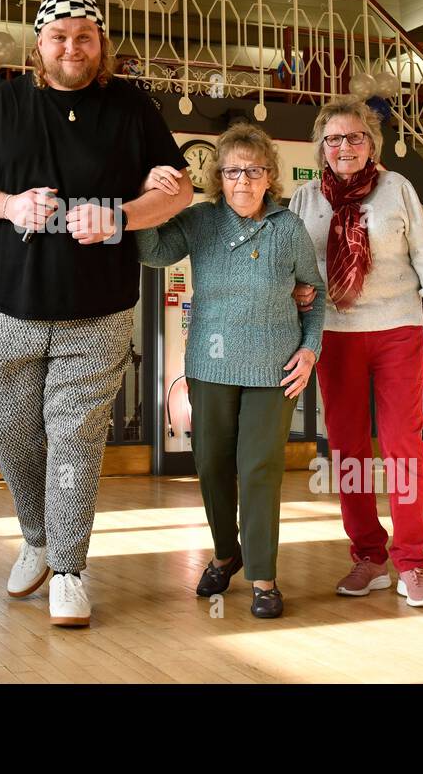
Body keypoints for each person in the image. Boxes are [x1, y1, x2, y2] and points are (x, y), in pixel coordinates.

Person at [0, 0, 193, 627]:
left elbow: (177, 192)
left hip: (98, 312)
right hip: (11, 310)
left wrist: (122, 217)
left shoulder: (131, 106)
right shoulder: (1, 105)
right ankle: (38, 538)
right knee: (8, 436)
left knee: (75, 443)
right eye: (59, 36)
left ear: (100, 43)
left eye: (85, 36)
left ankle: (72, 571)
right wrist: (9, 205)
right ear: (39, 45)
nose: (72, 47)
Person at [136, 123, 326, 618]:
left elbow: (315, 292)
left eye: (254, 170)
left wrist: (310, 351)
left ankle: (264, 577)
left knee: (259, 469)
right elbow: (154, 253)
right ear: (220, 176)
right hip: (209, 366)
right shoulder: (201, 220)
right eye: (233, 170)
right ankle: (226, 553)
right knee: (212, 465)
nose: (243, 180)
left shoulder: (288, 228)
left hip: (276, 369)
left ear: (270, 177)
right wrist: (148, 197)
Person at [289, 95, 423, 608]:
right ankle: (368, 556)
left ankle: (412, 562)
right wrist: (297, 292)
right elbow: (293, 264)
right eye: (335, 138)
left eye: (355, 137)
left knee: (404, 445)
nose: (345, 146)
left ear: (371, 144)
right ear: (322, 147)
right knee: (347, 449)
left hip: (396, 329)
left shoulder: (397, 189)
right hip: (334, 334)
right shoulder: (304, 199)